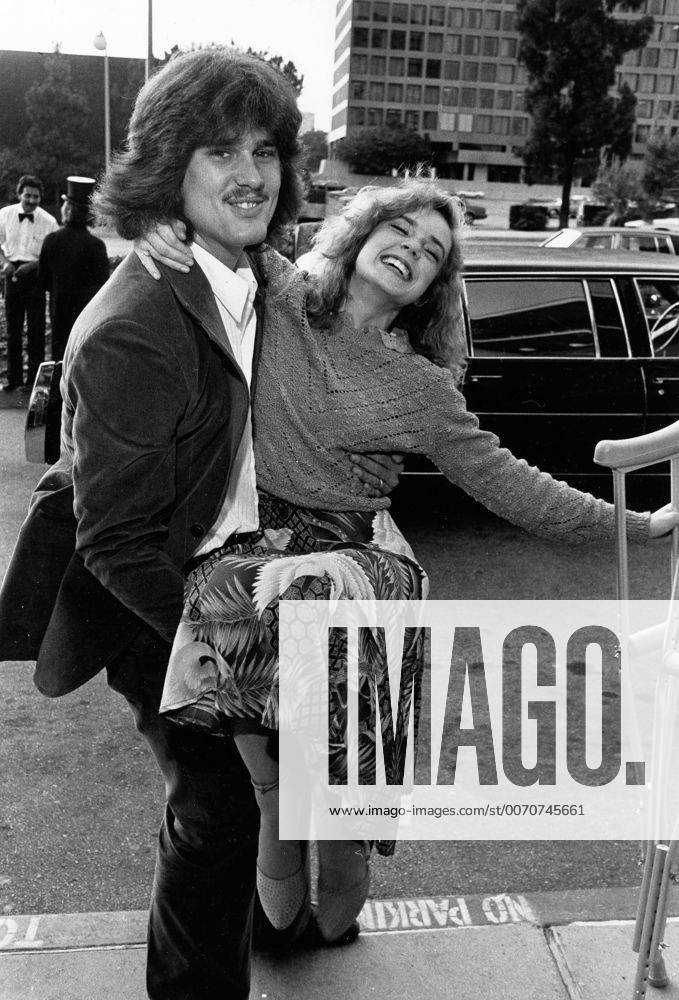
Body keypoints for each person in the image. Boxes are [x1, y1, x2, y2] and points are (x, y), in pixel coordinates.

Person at [136, 178, 679, 946]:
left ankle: (339, 873)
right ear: (360, 233)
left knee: (338, 789)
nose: (411, 251)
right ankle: (280, 891)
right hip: (254, 549)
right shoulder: (278, 291)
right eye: (400, 230)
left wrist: (640, 524)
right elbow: (213, 213)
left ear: (431, 288)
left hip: (354, 558)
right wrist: (160, 226)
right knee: (267, 772)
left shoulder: (420, 386)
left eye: (430, 252)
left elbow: (512, 484)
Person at [0, 48, 400, 1000]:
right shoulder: (135, 323)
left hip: (246, 568)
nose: (250, 173)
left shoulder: (254, 271)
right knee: (217, 806)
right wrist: (226, 641)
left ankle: (262, 933)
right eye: (219, 151)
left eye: (264, 150)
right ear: (168, 166)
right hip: (152, 599)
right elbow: (113, 542)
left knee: (261, 791)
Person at [38, 176, 110, 362]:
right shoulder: (97, 246)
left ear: (67, 209)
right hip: (87, 312)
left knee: (60, 356)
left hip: (59, 308)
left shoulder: (52, 240)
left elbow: (43, 281)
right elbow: (103, 287)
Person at [0, 174, 58, 391]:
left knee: (36, 329)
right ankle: (13, 379)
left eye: (36, 197)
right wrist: (5, 262)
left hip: (35, 276)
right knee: (12, 330)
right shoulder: (4, 215)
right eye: (28, 195)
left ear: (40, 198)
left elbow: (51, 255)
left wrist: (32, 266)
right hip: (12, 275)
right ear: (19, 194)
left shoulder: (49, 222)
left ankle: (33, 380)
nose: (32, 200)